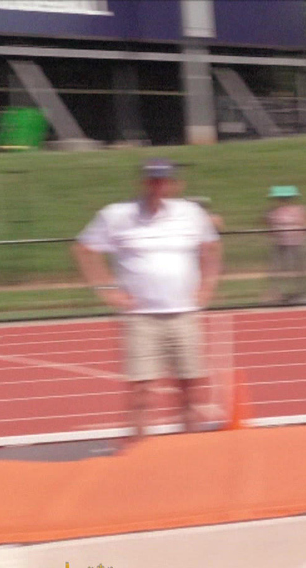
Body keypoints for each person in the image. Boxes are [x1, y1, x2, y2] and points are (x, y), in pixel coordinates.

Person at [71, 158, 222, 448]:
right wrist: (106, 289)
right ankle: (138, 453)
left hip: (184, 314)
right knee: (142, 390)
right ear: (142, 183)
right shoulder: (117, 215)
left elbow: (211, 247)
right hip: (142, 317)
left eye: (164, 181)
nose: (158, 187)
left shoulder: (191, 213)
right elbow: (84, 249)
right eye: (153, 180)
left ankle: (193, 452)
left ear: (176, 184)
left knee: (190, 386)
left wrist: (208, 286)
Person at [265, 185, 306, 304]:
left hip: (298, 243)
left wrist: (305, 230)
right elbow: (266, 223)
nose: (284, 200)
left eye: (286, 198)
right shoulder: (272, 212)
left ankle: (304, 294)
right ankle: (276, 295)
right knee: (276, 271)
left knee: (301, 270)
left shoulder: (300, 209)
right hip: (280, 245)